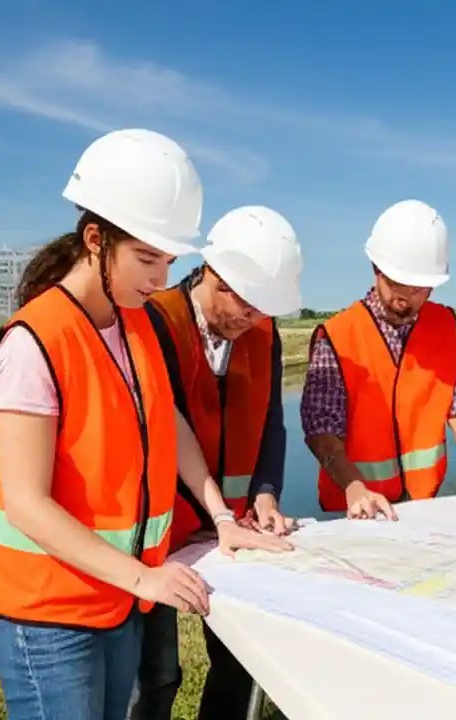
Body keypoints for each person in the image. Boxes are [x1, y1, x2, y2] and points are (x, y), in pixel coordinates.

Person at [0, 128, 291, 720]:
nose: (161, 279)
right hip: (45, 611)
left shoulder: (135, 321)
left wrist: (221, 518)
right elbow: (25, 503)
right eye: (146, 258)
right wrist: (143, 581)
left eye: (169, 260)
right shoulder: (36, 342)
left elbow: (170, 427)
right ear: (95, 239)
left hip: (114, 599)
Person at [132, 206, 303, 720]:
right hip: (160, 532)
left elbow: (271, 420)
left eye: (261, 311)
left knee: (240, 660)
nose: (250, 320)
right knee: (157, 675)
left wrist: (266, 491)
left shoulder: (263, 332)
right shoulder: (154, 321)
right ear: (215, 275)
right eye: (245, 306)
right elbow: (161, 429)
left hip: (233, 528)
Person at [301, 199, 456, 520]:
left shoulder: (445, 325)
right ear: (376, 268)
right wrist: (354, 487)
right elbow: (322, 430)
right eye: (396, 282)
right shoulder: (336, 335)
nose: (406, 295)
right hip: (353, 510)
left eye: (419, 288)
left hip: (422, 507)